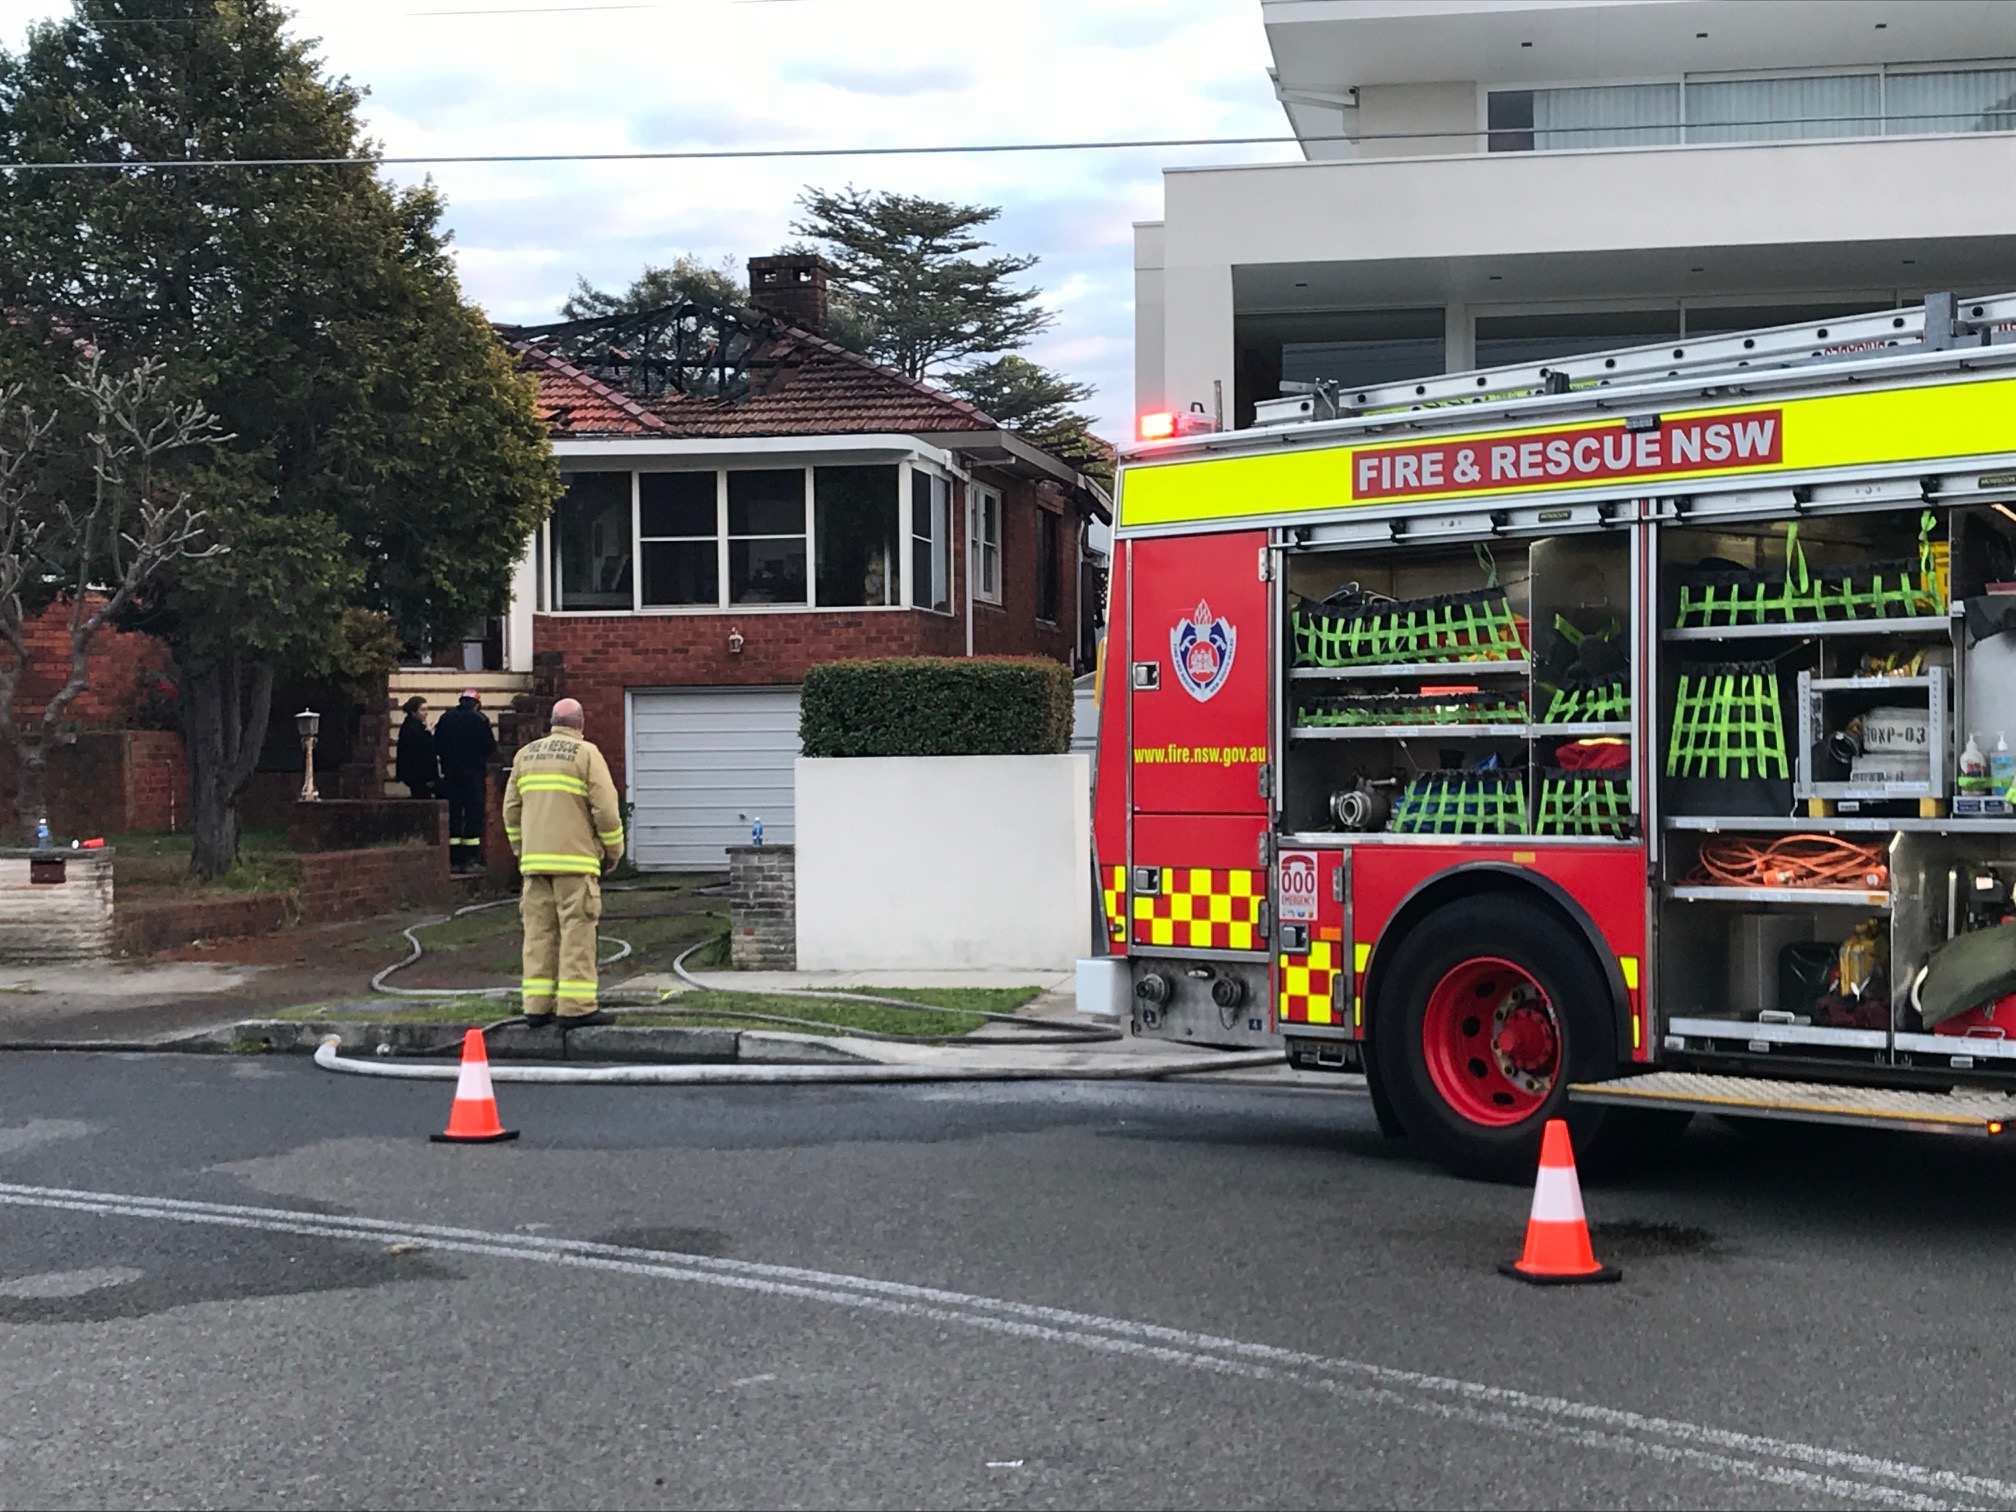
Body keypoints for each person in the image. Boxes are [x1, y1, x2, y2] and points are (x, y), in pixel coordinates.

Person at [503, 698, 625, 1029]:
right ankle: (576, 1007)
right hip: (575, 863)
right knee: (577, 934)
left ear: (553, 722)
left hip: (534, 866)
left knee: (538, 934)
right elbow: (606, 811)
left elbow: (511, 811)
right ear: (580, 725)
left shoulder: (525, 755)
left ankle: (536, 1007)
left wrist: (521, 850)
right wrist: (613, 851)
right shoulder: (586, 755)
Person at [432, 689, 497, 874]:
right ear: (477, 703)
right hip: (473, 776)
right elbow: (490, 746)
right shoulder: (480, 719)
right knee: (473, 815)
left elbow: (437, 745)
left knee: (453, 814)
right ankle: (470, 859)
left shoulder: (446, 718)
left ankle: (453, 859)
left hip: (451, 775)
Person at [394, 696, 438, 801]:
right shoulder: (414, 729)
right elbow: (423, 752)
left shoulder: (410, 726)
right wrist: (429, 734)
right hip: (419, 775)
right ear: (413, 712)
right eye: (422, 710)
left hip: (415, 774)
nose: (426, 713)